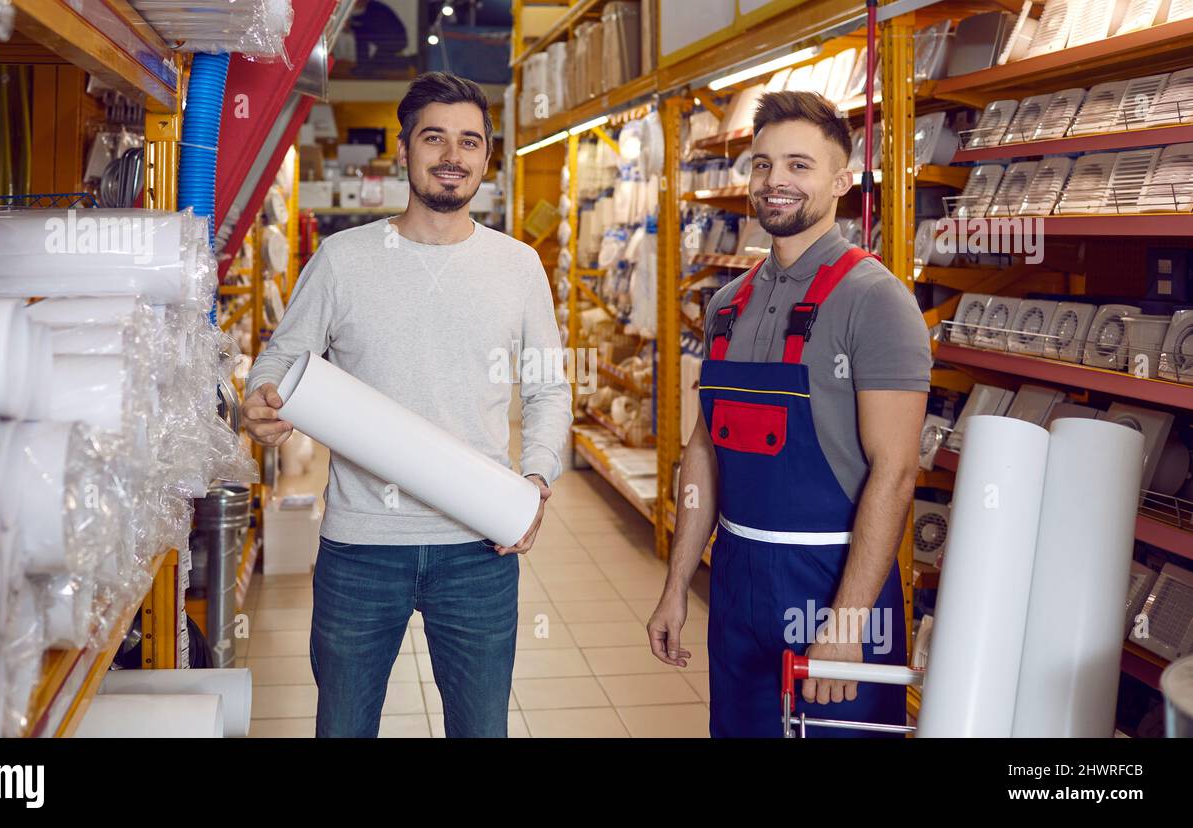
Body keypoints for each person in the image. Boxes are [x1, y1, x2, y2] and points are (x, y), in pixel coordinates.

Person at [241, 72, 572, 738]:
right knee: (343, 726)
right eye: (435, 138)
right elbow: (279, 360)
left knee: (480, 729)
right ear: (404, 151)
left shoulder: (518, 266)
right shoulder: (343, 259)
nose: (453, 155)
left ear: (486, 159)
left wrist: (535, 481)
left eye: (470, 142)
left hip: (477, 545)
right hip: (361, 547)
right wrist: (262, 400)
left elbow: (547, 387)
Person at [647, 91, 932, 737]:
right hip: (738, 581)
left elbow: (895, 472)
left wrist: (848, 624)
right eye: (763, 164)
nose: (776, 180)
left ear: (841, 181)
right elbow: (704, 452)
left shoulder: (876, 301)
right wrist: (676, 585)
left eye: (800, 165)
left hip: (831, 582)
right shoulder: (725, 305)